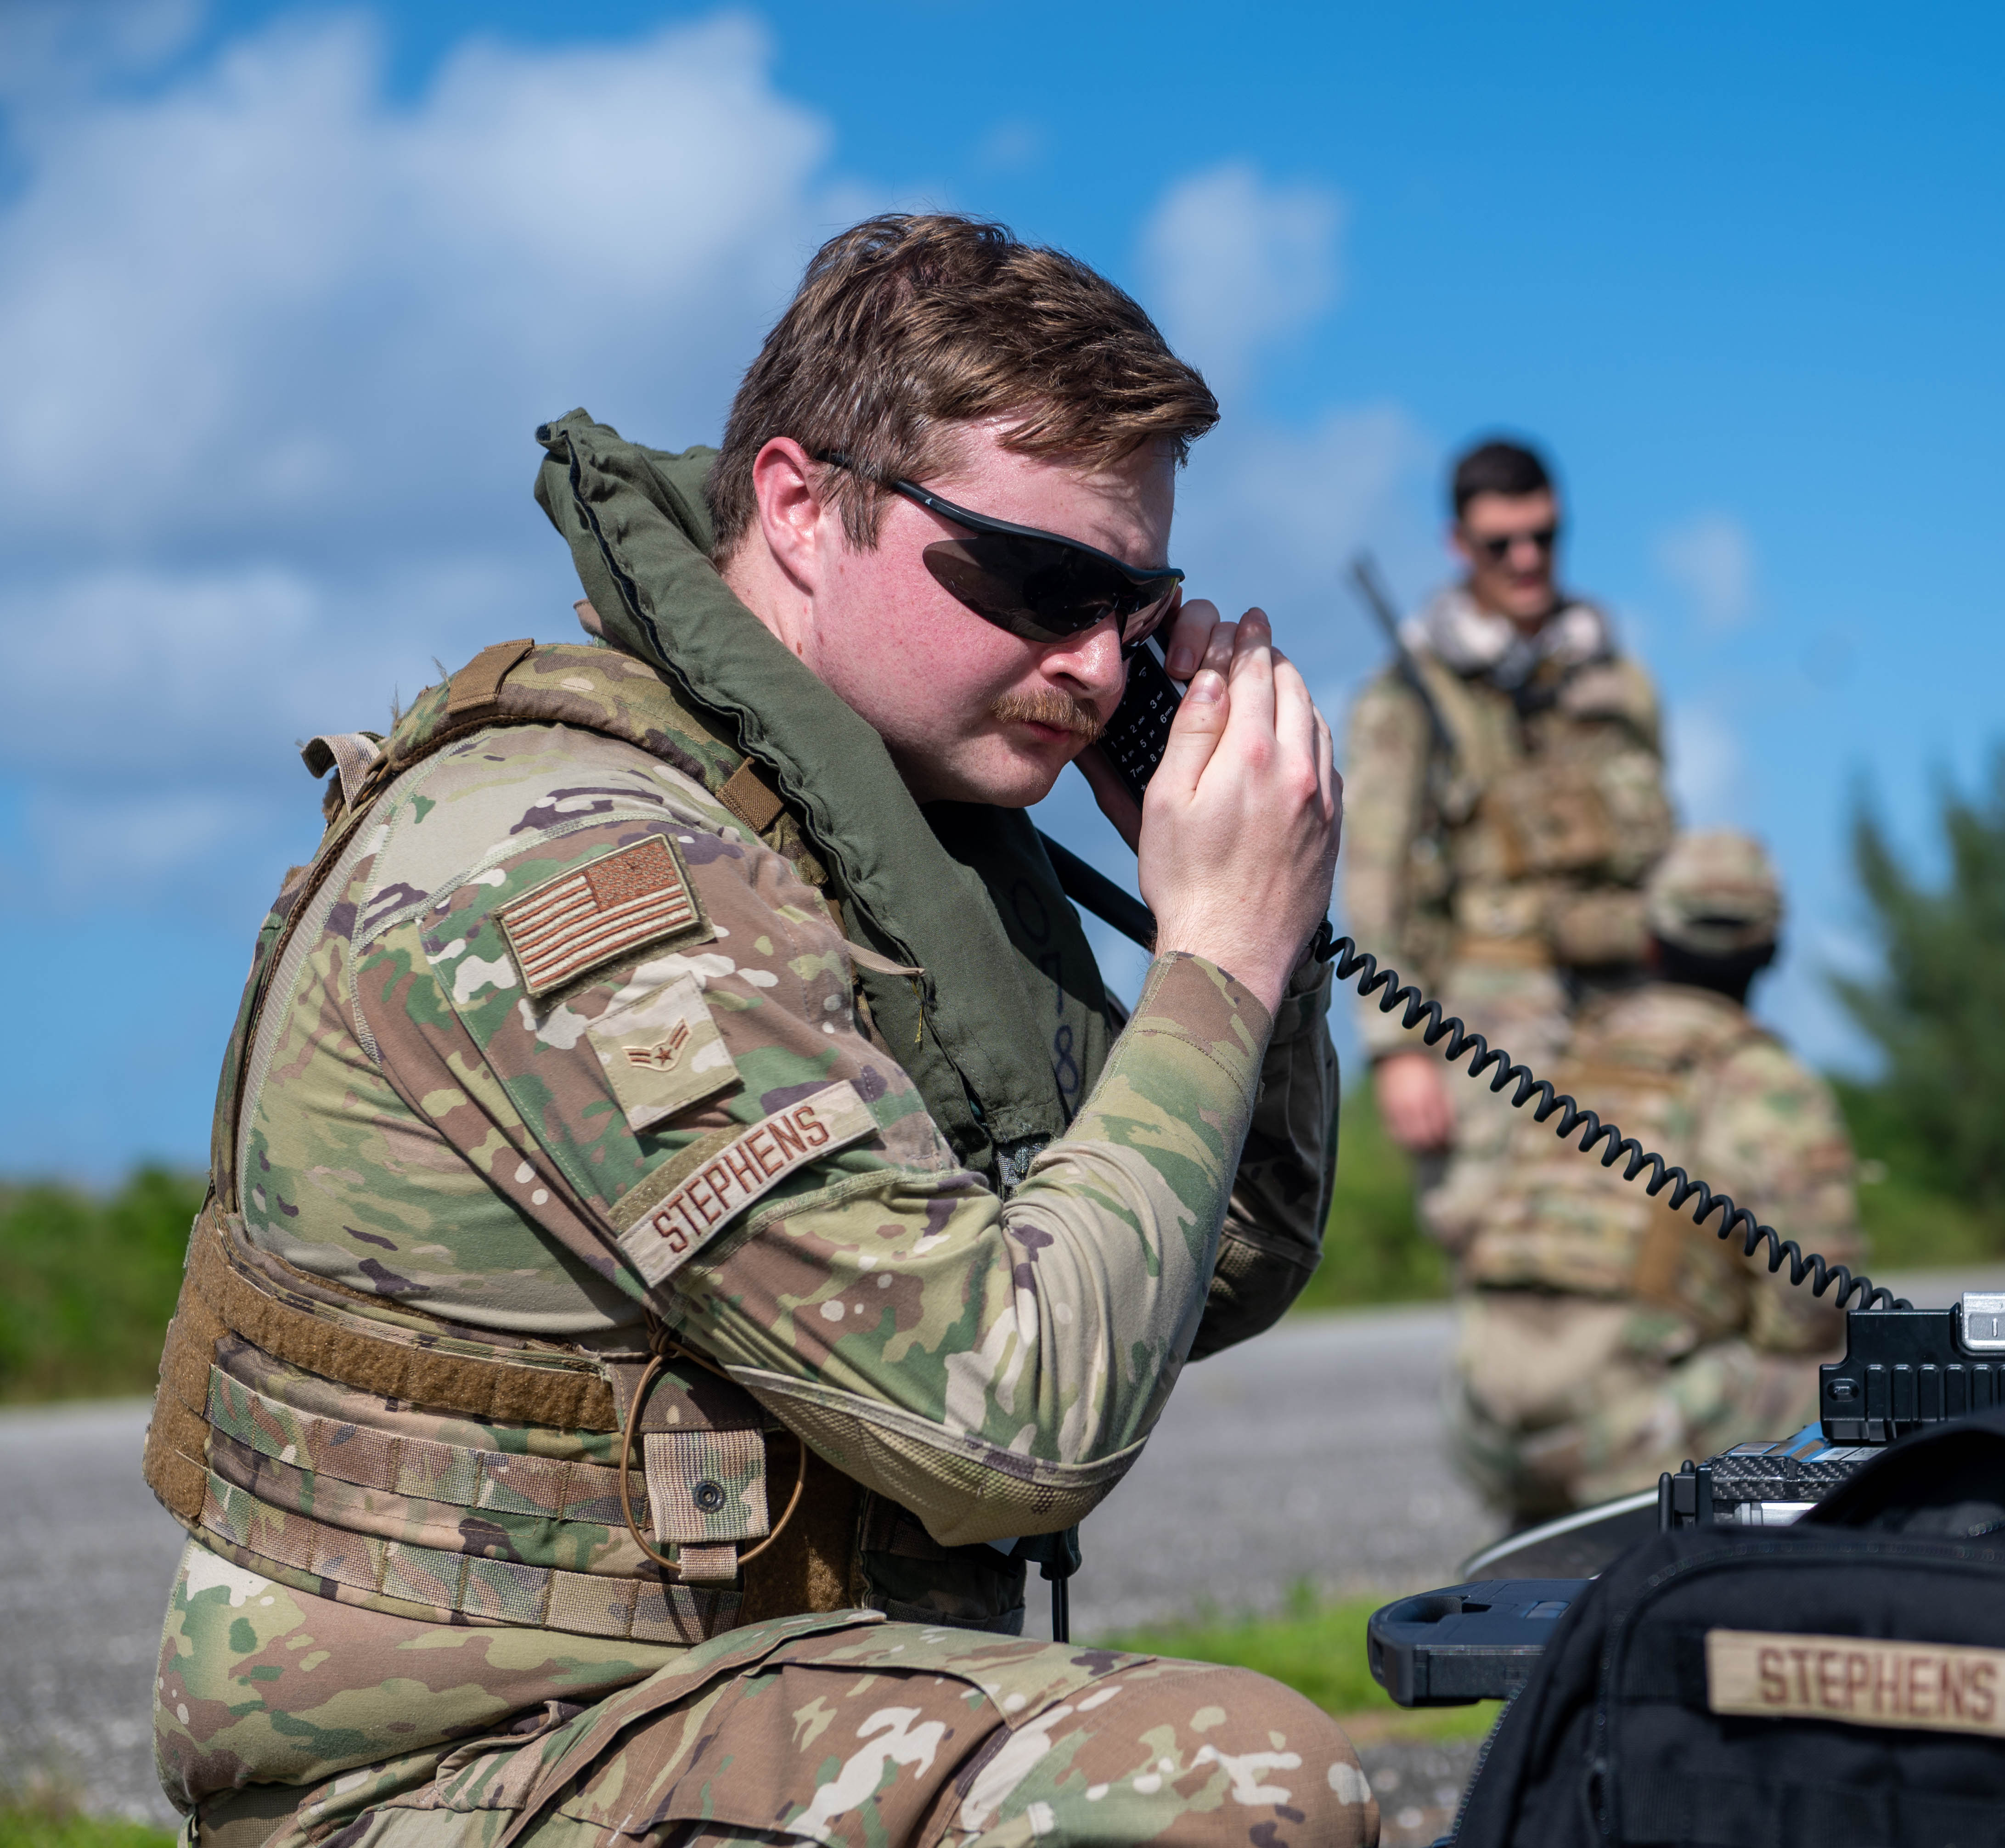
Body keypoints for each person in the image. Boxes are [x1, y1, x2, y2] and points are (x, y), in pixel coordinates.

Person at [142, 214, 1376, 1848]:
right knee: (1217, 1785)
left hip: (711, 1717)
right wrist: (1211, 953)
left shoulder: (879, 847)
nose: (1089, 662)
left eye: (1133, 608)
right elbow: (1005, 1426)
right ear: (802, 507)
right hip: (454, 1776)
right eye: (1036, 580)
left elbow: (1203, 1267)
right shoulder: (584, 872)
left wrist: (1254, 951)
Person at [1442, 831, 1861, 1523]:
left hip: (1486, 1428)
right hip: (1628, 1440)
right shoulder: (1763, 1081)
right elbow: (1813, 1306)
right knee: (1854, 1381)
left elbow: (1470, 1223)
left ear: (1650, 945)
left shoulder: (1568, 1057)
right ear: (1772, 953)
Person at [1341, 439, 1673, 1251]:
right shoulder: (1407, 700)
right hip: (1488, 1024)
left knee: (1652, 1244)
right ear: (1459, 546)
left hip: (1629, 1000)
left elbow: (1667, 848)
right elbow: (1377, 883)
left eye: (1544, 537)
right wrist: (1397, 1050)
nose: (1527, 561)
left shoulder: (1617, 684)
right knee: (1507, 1251)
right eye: (1501, 545)